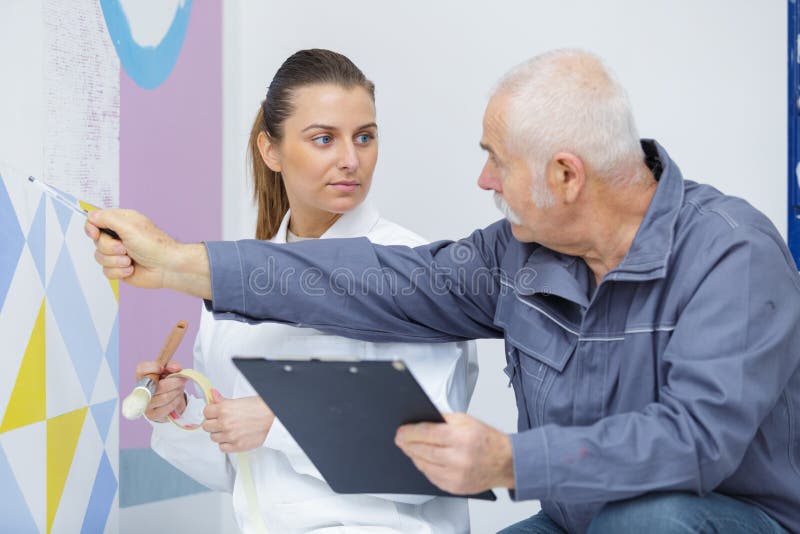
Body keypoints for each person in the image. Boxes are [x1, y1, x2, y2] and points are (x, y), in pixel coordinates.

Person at [87, 49, 800, 533]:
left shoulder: (731, 253)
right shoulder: (519, 252)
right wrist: (178, 264)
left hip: (710, 515)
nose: (483, 182)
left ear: (565, 176)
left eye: (496, 160)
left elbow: (696, 438)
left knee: (646, 522)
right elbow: (376, 279)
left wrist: (512, 462)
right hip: (580, 517)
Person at [131, 49, 478, 533]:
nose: (350, 160)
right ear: (270, 150)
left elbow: (430, 461)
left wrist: (279, 421)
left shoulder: (415, 270)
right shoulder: (233, 286)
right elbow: (241, 473)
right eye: (323, 139)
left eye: (364, 137)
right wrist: (178, 412)